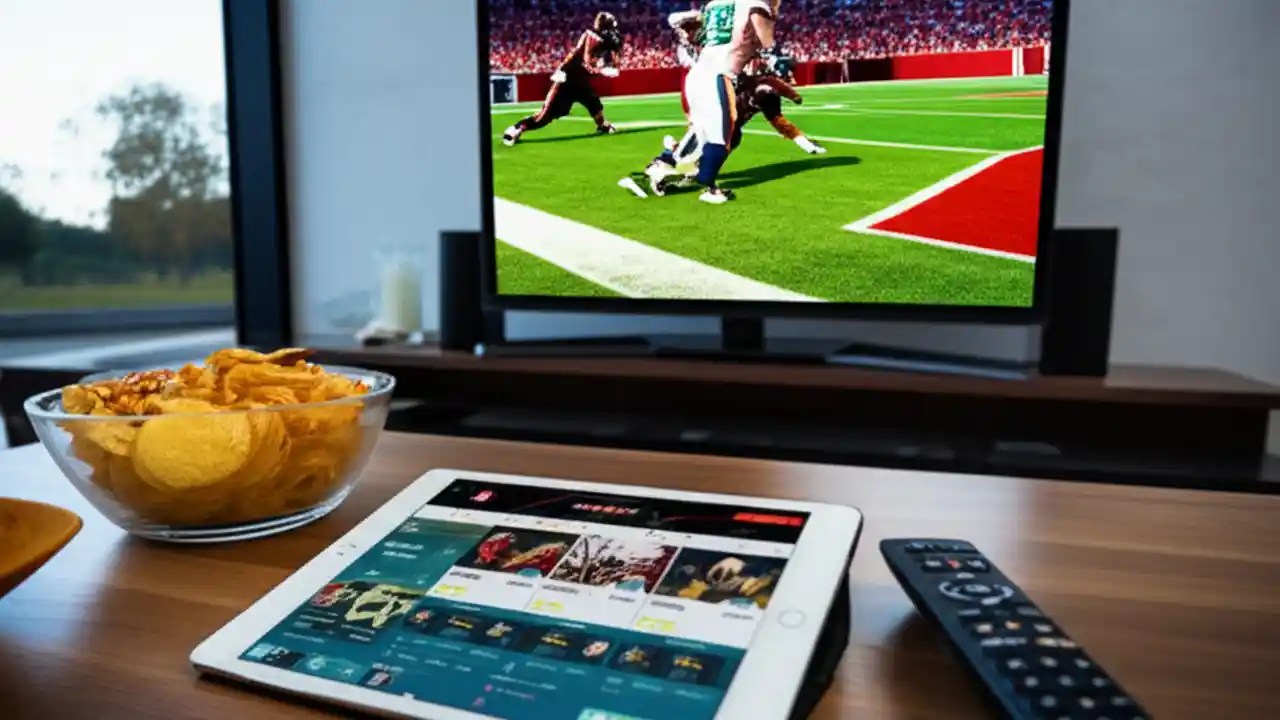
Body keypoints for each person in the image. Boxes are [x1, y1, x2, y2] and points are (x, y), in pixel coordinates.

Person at [681, 0, 781, 204]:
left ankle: (661, 164)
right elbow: (768, 43)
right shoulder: (757, 5)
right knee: (722, 138)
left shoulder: (713, 5)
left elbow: (701, 36)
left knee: (700, 134)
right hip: (719, 75)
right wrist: (772, 17)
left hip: (698, 72)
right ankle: (707, 186)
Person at [502, 12, 623, 146]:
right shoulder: (592, 38)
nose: (613, 33)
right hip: (567, 80)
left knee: (594, 104)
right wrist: (602, 71)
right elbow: (587, 63)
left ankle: (602, 125)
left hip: (580, 81)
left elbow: (612, 57)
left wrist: (613, 61)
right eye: (610, 29)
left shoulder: (601, 40)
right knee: (544, 117)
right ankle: (517, 128)